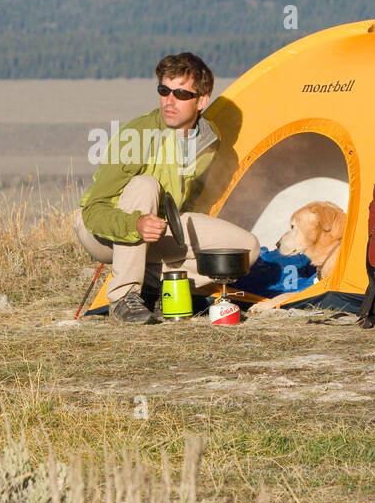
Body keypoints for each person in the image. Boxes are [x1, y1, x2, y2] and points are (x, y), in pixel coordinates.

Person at [74, 53, 260, 323]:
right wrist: (134, 224)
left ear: (202, 101)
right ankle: (124, 297)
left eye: (181, 94)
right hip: (102, 232)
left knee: (245, 249)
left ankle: (155, 285)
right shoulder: (136, 136)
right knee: (145, 186)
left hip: (157, 230)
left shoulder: (209, 142)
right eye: (164, 90)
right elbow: (93, 209)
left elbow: (192, 204)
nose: (169, 101)